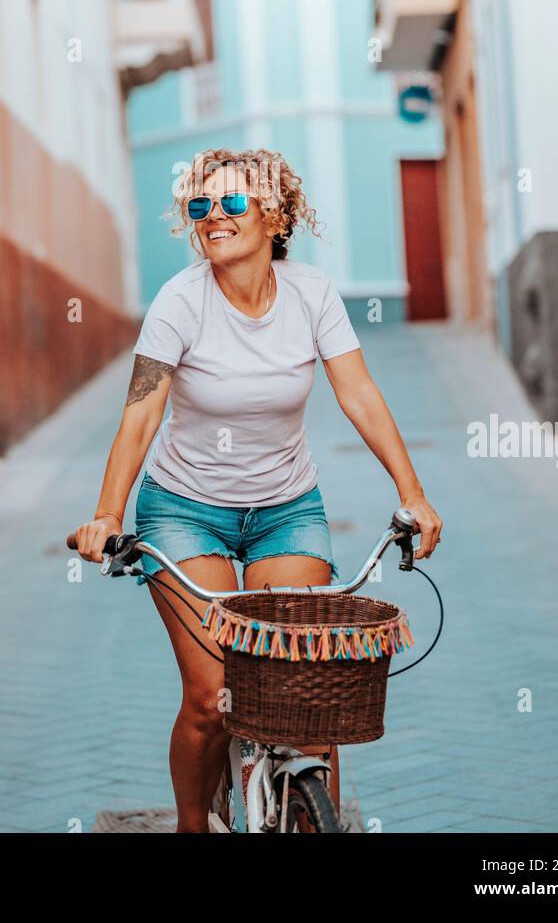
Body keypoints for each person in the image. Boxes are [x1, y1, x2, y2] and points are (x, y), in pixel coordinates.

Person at [73, 147, 442, 832]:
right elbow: (142, 409)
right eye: (200, 205)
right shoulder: (179, 302)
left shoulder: (310, 293)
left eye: (233, 202)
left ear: (273, 215)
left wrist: (411, 493)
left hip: (285, 512)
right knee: (213, 695)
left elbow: (357, 392)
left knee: (306, 696)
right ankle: (191, 822)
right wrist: (105, 515)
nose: (214, 216)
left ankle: (306, 814)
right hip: (183, 513)